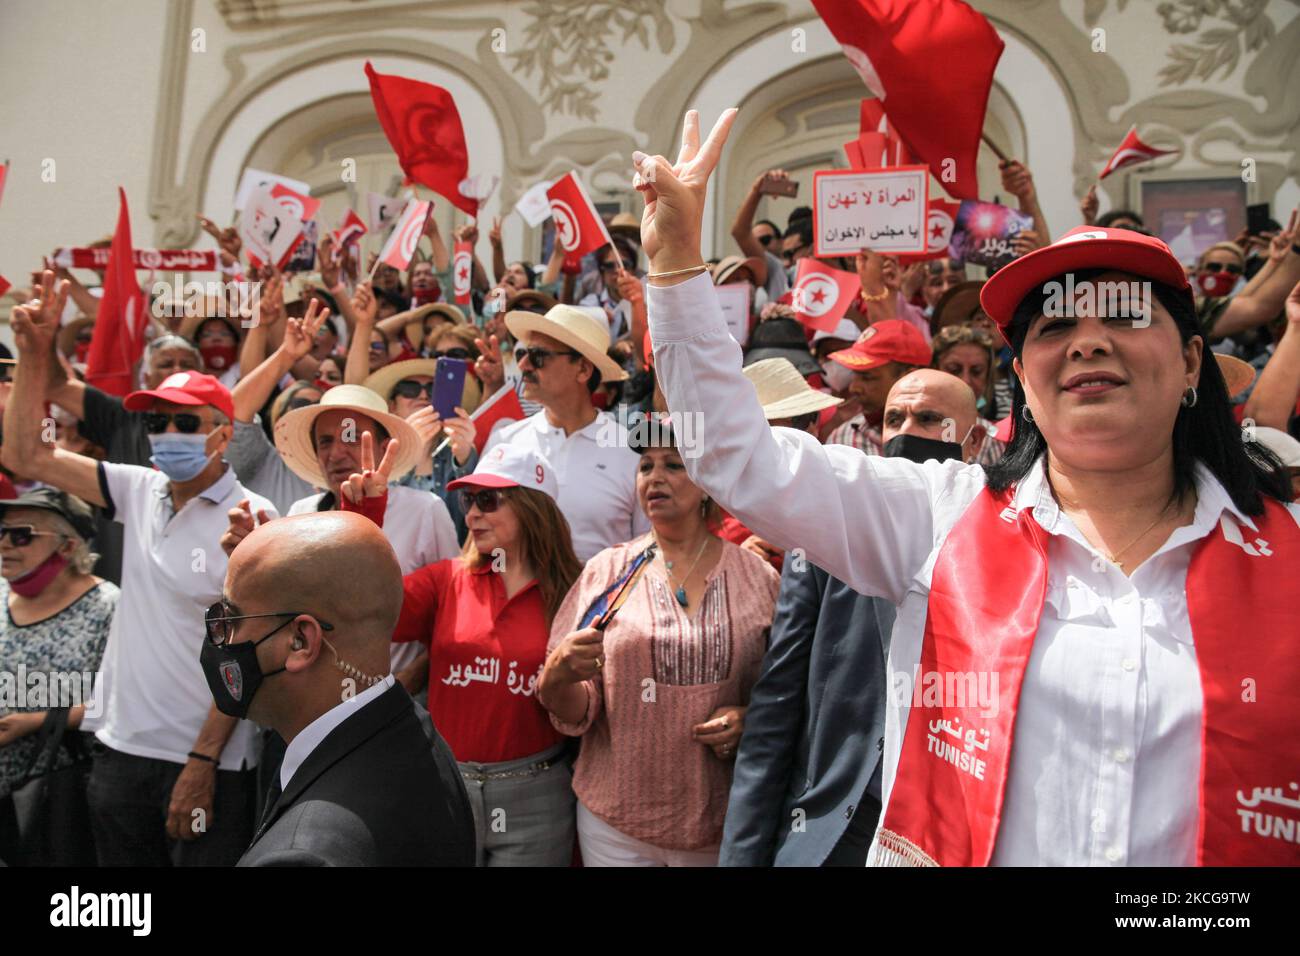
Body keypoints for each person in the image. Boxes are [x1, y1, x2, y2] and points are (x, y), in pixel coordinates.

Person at [636, 108, 1298, 866]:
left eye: (1123, 313)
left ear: (1189, 363)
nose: (1085, 337)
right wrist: (678, 262)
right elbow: (733, 455)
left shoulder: (1288, 549)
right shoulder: (934, 518)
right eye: (1050, 327)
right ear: (1022, 380)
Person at [4, 272, 279, 866]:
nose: (167, 435)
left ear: (223, 435)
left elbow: (251, 651)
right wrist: (31, 355)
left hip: (206, 764)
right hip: (119, 753)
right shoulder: (140, 488)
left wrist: (203, 761)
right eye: (156, 424)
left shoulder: (254, 517)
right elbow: (26, 454)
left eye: (185, 423)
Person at [720, 399, 974, 867]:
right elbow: (778, 703)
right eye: (894, 418)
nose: (907, 430)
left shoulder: (1008, 552)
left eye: (930, 419)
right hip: (836, 830)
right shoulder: (826, 548)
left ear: (973, 441)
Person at [538, 422, 779, 866]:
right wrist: (558, 676)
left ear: (707, 482)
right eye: (645, 466)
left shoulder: (755, 575)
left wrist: (750, 720)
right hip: (617, 823)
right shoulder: (607, 571)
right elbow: (574, 708)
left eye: (673, 465)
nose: (654, 476)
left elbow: (785, 690)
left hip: (723, 818)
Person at [205, 511, 474, 866]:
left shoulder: (303, 855)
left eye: (232, 618)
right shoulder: (411, 730)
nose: (221, 638)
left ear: (300, 641)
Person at [357, 444, 584, 865]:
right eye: (468, 499)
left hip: (538, 798)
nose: (472, 513)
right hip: (445, 788)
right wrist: (367, 517)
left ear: (535, 508)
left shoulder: (578, 589)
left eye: (488, 500)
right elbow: (367, 609)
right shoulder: (446, 580)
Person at [270, 383, 459, 687]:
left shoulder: (425, 510)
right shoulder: (300, 513)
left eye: (352, 438)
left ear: (386, 449)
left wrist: (409, 681)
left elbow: (455, 608)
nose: (336, 453)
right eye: (325, 441)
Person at [0, 489, 117, 865]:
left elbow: (120, 701)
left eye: (22, 535)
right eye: (1, 533)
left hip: (56, 793)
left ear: (67, 547)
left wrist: (35, 722)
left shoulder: (107, 606)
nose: (5, 544)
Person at [481, 304, 649, 562]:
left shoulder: (633, 452)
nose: (524, 365)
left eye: (537, 356)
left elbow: (646, 551)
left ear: (582, 369)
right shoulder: (504, 440)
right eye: (521, 355)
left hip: (606, 601)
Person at [824, 320, 931, 454]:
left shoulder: (948, 434)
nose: (854, 388)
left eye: (867, 377)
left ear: (909, 378)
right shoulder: (842, 440)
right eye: (854, 374)